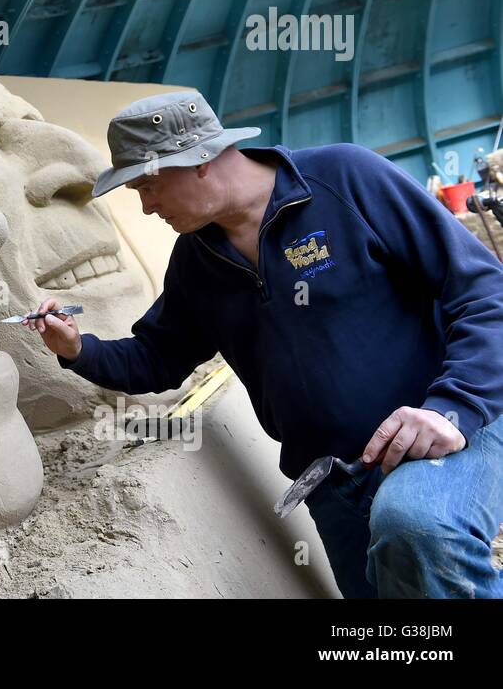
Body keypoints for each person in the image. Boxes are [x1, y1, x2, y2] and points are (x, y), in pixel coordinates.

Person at [25, 91, 503, 598]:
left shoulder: (345, 179)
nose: (145, 207)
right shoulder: (197, 260)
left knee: (417, 524)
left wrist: (452, 407)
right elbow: (157, 359)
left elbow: (484, 291)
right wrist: (77, 348)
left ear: (198, 160)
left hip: (448, 431)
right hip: (334, 485)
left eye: (148, 185)